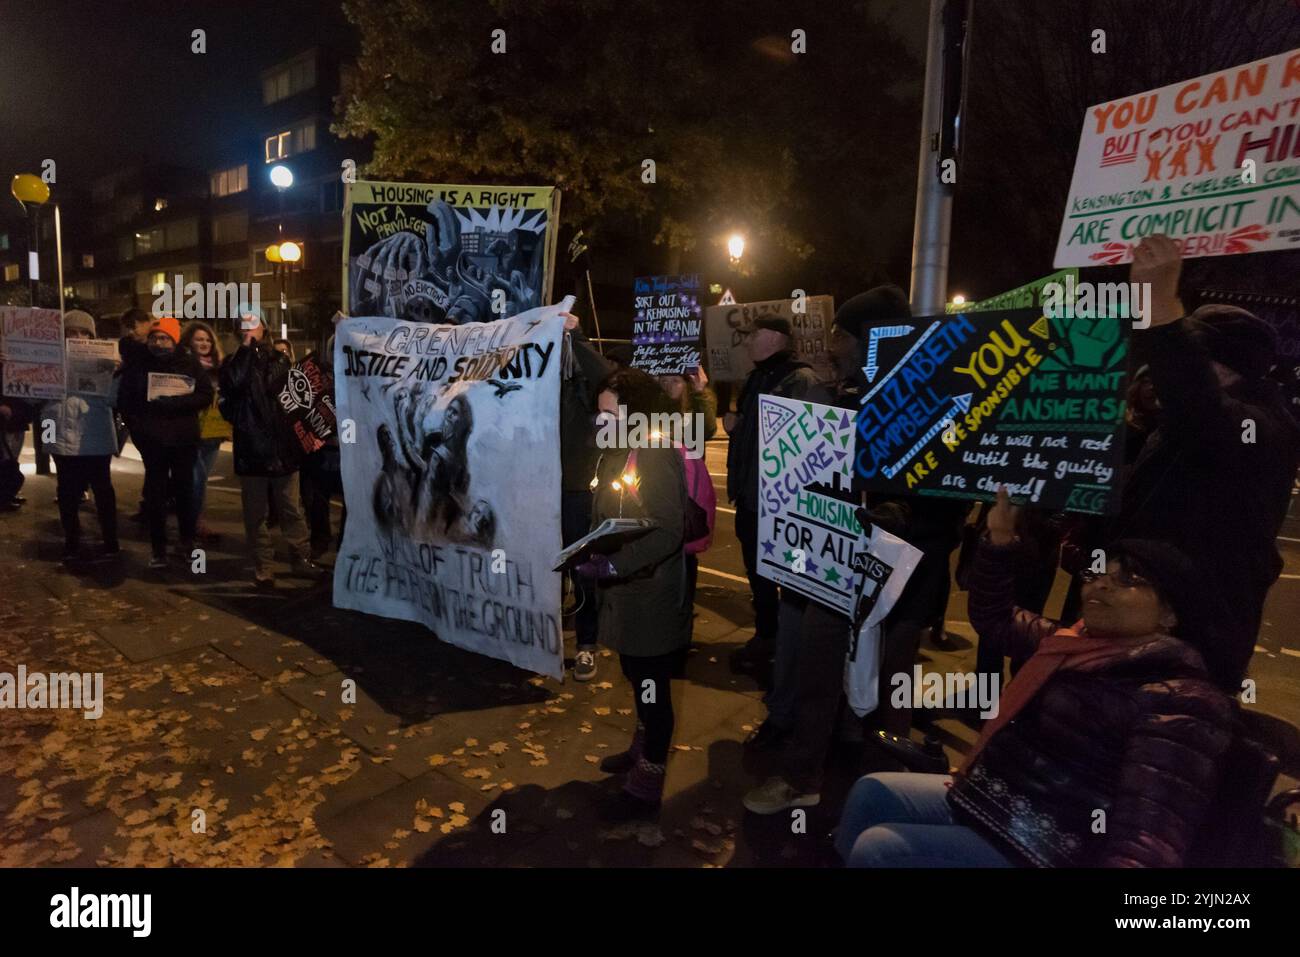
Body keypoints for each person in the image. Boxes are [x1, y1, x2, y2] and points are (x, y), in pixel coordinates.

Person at [834, 486, 1233, 867]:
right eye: (1098, 574)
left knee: (882, 849)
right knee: (872, 792)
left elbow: (1148, 838)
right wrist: (999, 538)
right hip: (1001, 799)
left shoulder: (1181, 700)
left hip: (1052, 845)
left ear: (1171, 614)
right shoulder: (1071, 642)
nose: (1103, 583)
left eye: (1129, 580)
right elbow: (996, 619)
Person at [1118, 234, 1300, 690]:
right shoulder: (1190, 417)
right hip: (1154, 615)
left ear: (1224, 366)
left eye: (1198, 357)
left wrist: (1162, 312)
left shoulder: (1259, 426)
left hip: (1198, 631)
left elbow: (1201, 415)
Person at [576, 368, 688, 819]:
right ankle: (640, 747)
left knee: (652, 686)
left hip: (650, 592)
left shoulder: (654, 451)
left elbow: (668, 531)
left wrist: (615, 563)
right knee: (635, 675)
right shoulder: (616, 449)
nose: (600, 422)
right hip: (625, 588)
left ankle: (650, 777)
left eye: (608, 413)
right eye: (598, 413)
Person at [725, 315, 818, 678]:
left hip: (782, 503)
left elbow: (804, 442)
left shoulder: (800, 379)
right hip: (751, 497)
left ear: (775, 338)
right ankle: (768, 635)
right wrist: (735, 424)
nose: (747, 341)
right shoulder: (756, 378)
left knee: (791, 576)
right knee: (759, 573)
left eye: (753, 334)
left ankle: (789, 647)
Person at [219, 307, 318, 589]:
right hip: (251, 450)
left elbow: (295, 399)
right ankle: (263, 566)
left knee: (291, 509)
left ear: (264, 327)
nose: (249, 328)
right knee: (255, 513)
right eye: (244, 324)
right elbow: (233, 384)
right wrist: (245, 351)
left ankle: (301, 559)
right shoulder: (233, 362)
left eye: (254, 323)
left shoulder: (279, 360)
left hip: (283, 449)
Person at [113, 316, 212, 569]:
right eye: (155, 337)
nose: (159, 342)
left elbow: (205, 395)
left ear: (174, 339)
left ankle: (187, 541)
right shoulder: (139, 365)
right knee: (155, 496)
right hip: (152, 441)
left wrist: (175, 403)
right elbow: (125, 400)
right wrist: (138, 429)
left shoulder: (188, 363)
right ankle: (158, 548)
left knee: (184, 493)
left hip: (183, 440)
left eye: (164, 337)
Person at [560, 310, 614, 681]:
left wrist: (577, 336)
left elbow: (606, 378)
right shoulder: (534, 383)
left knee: (582, 571)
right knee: (545, 571)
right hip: (537, 491)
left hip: (577, 492)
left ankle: (586, 646)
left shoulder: (583, 385)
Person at [42, 310, 120, 562]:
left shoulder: (107, 360)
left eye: (83, 333)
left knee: (103, 490)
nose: (77, 337)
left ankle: (110, 540)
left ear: (92, 336)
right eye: (71, 333)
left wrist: (115, 374)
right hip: (59, 431)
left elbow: (116, 399)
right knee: (66, 491)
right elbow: (31, 396)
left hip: (94, 432)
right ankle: (72, 540)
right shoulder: (49, 360)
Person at [179, 321, 230, 543]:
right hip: (191, 430)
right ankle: (190, 527)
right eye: (199, 339)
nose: (204, 343)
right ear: (189, 340)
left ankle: (196, 523)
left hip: (214, 431)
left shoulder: (219, 367)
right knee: (195, 479)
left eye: (208, 339)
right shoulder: (183, 364)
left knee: (201, 480)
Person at [656, 367, 717, 441]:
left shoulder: (699, 399)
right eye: (664, 381)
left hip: (690, 450)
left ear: (686, 383)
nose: (669, 387)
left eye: (675, 381)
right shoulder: (657, 401)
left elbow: (707, 431)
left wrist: (699, 393)